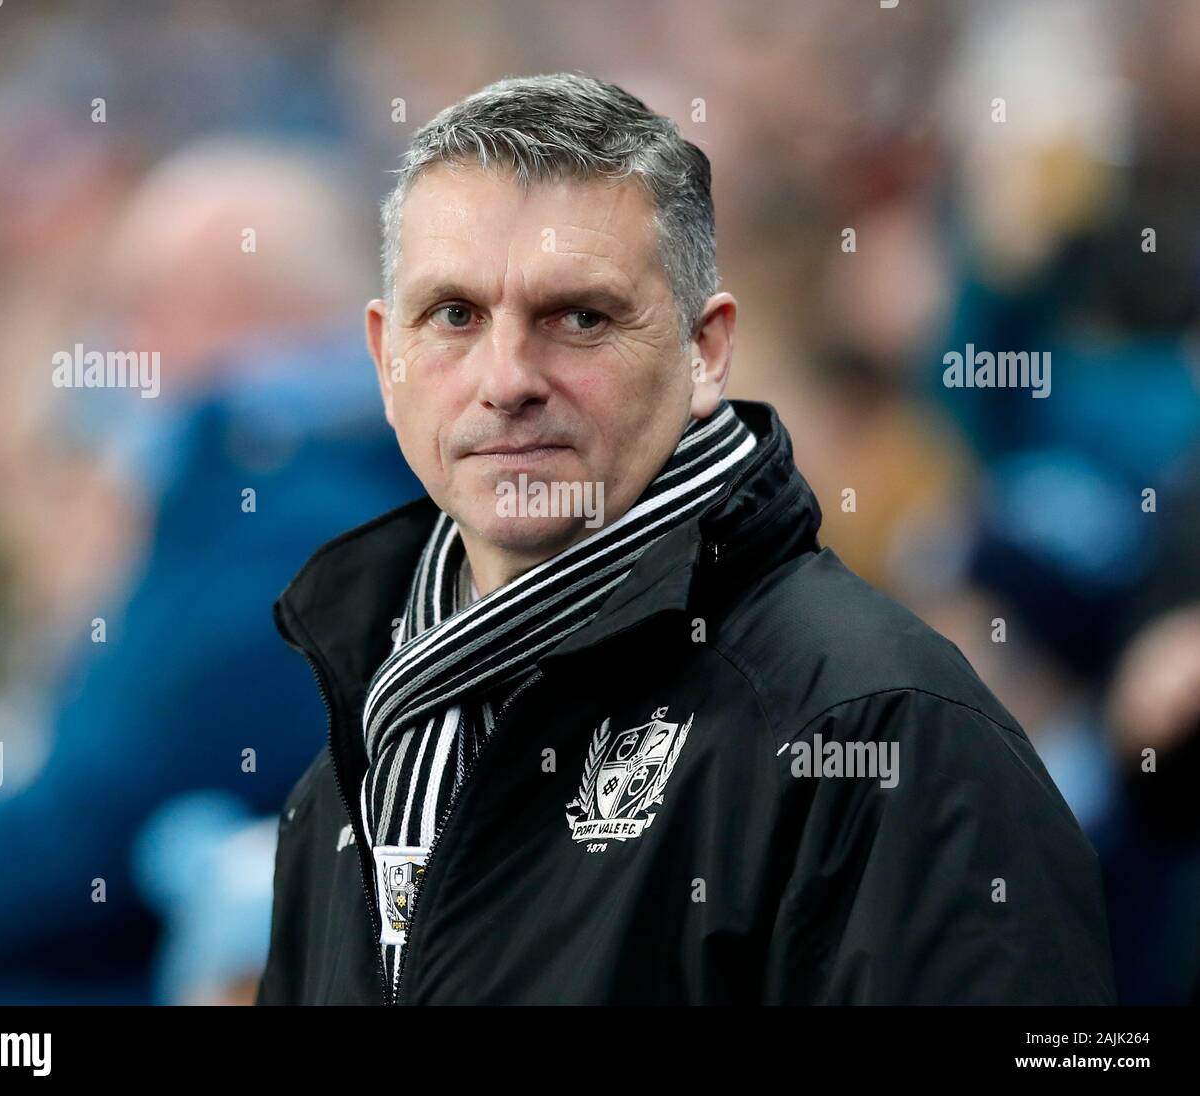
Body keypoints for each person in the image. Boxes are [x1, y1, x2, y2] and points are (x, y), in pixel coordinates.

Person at [257, 72, 1115, 1005]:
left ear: (704, 351)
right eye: (455, 316)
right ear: (388, 358)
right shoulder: (350, 767)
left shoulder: (880, 729)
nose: (505, 379)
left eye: (579, 317)